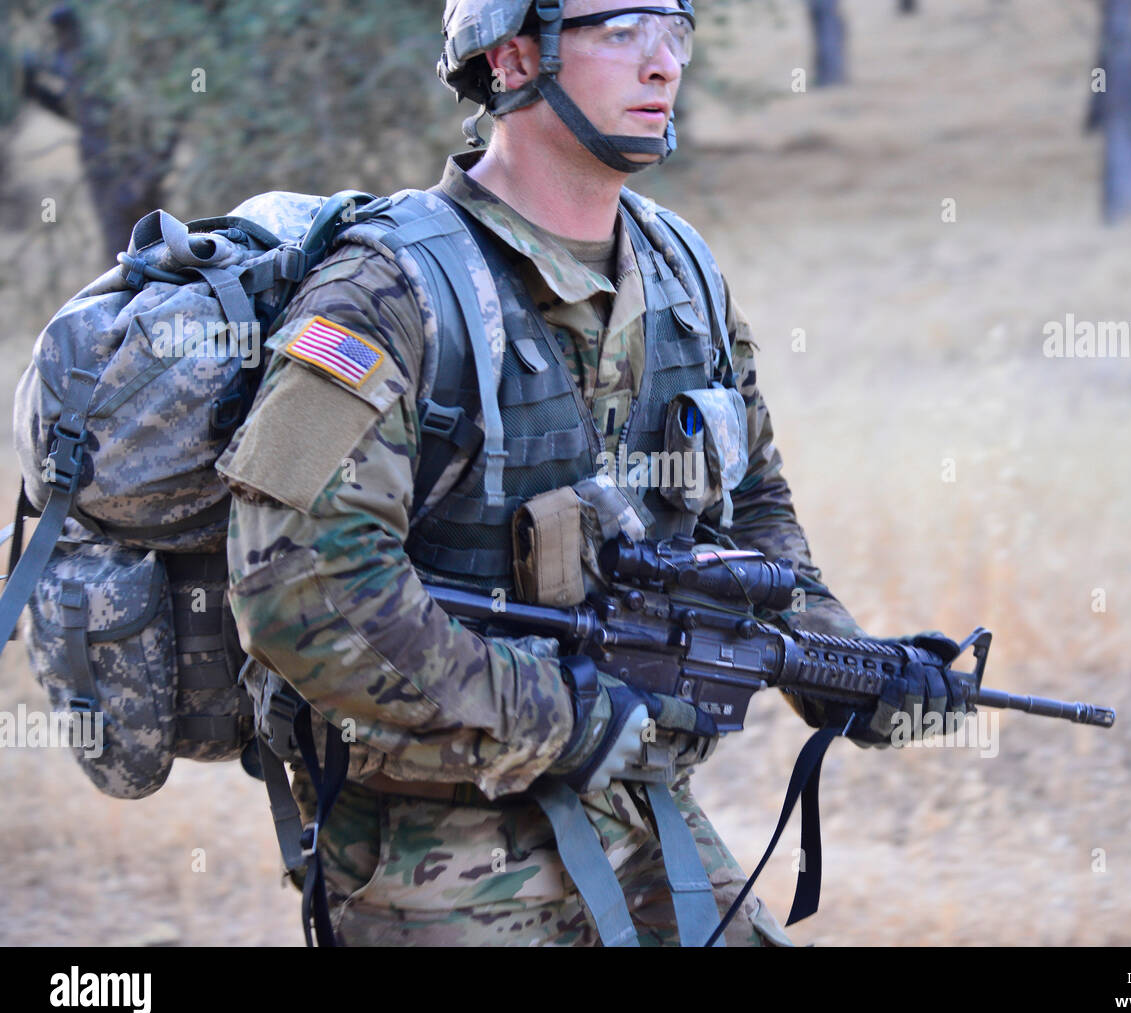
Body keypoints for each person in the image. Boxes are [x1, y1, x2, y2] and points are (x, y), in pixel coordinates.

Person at [217, 0, 907, 947]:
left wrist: (842, 661)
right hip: (434, 851)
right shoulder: (386, 292)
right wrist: (560, 713)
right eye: (621, 29)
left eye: (676, 30)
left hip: (643, 812)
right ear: (511, 59)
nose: (664, 65)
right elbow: (298, 587)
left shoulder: (683, 272)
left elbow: (755, 505)